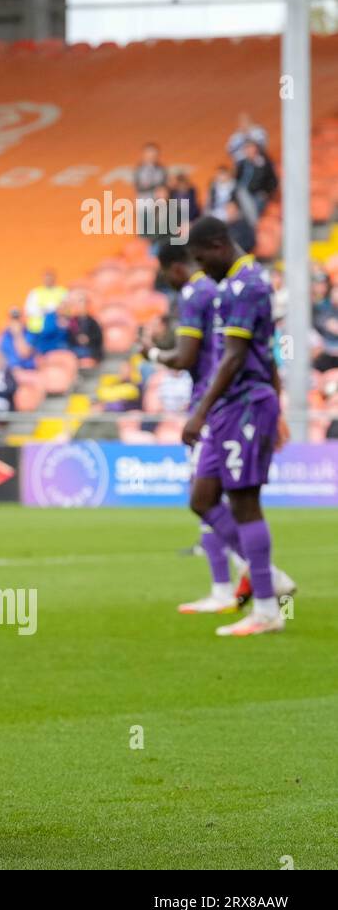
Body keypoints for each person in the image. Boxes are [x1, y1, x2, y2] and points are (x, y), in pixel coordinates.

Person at [180, 218, 295, 636]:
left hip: (244, 403)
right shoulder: (231, 287)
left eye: (201, 258)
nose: (201, 268)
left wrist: (199, 412)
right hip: (228, 406)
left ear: (216, 245)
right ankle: (269, 575)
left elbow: (234, 357)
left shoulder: (248, 285)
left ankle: (266, 609)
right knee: (203, 497)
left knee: (245, 500)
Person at [234, 140, 277, 221]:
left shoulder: (264, 163)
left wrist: (266, 192)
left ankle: (250, 222)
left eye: (250, 148)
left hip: (256, 194)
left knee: (251, 205)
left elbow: (273, 180)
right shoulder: (242, 163)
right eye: (246, 148)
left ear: (256, 149)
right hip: (240, 193)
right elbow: (236, 179)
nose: (248, 150)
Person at [23, 268, 66, 340]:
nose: (48, 280)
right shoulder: (35, 292)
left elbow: (67, 309)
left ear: (54, 279)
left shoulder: (62, 292)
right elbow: (29, 310)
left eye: (50, 278)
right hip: (36, 330)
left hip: (56, 330)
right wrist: (49, 309)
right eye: (46, 278)